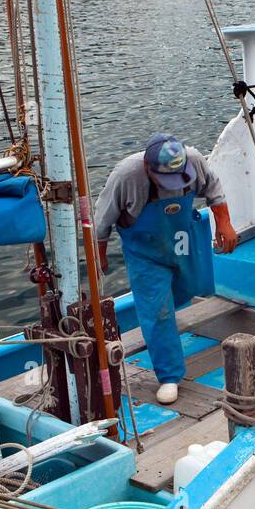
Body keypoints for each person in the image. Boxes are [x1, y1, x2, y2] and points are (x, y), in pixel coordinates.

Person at [94, 134, 239, 405]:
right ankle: (169, 375)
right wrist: (99, 258)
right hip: (144, 250)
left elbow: (214, 189)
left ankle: (169, 321)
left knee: (192, 287)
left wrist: (225, 223)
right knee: (157, 309)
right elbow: (101, 222)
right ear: (148, 169)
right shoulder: (126, 175)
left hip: (180, 237)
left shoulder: (194, 159)